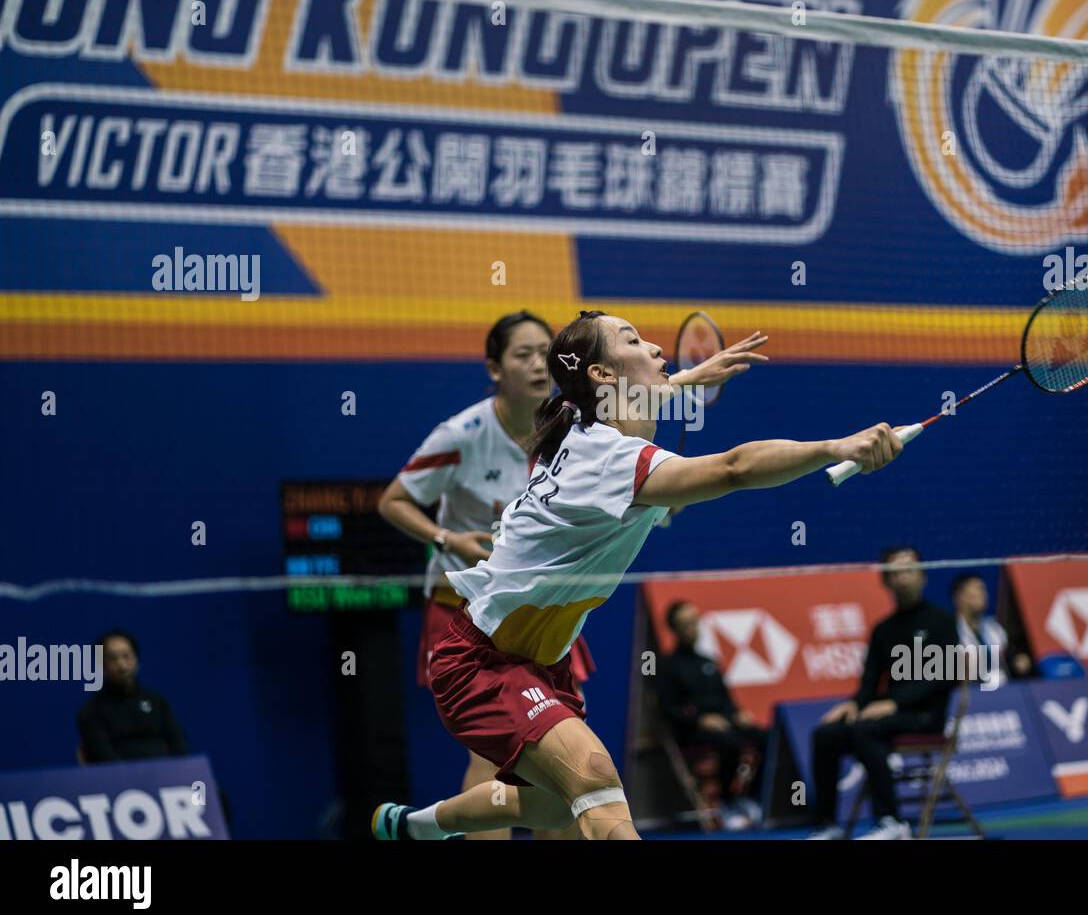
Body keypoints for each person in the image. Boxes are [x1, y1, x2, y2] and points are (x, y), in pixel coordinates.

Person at [372, 309, 904, 840]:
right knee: (595, 776)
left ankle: (418, 827)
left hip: (541, 661)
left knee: (557, 808)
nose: (655, 348)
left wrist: (692, 378)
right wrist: (838, 447)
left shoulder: (575, 424)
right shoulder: (606, 457)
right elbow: (734, 469)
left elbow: (641, 396)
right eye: (633, 339)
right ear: (602, 375)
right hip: (482, 662)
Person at [378, 310, 596, 840]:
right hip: (465, 614)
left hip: (538, 613)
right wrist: (448, 539)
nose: (537, 364)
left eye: (545, 352)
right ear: (494, 368)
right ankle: (428, 828)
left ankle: (423, 828)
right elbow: (394, 501)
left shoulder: (572, 428)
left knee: (565, 761)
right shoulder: (464, 434)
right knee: (494, 754)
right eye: (522, 354)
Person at [806, 546, 958, 841]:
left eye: (909, 570)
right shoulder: (883, 629)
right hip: (889, 714)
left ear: (923, 576)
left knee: (865, 730)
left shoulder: (941, 621)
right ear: (885, 581)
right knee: (825, 734)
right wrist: (852, 704)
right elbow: (869, 681)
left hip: (926, 714)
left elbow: (945, 677)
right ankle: (827, 825)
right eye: (895, 572)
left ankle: (892, 821)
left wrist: (894, 702)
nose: (902, 577)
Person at [659, 599, 768, 829]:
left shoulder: (709, 661)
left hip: (725, 724)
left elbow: (726, 700)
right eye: (685, 623)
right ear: (675, 629)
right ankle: (727, 803)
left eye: (695, 621)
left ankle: (753, 797)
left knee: (766, 737)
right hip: (693, 732)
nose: (692, 628)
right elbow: (669, 709)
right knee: (731, 744)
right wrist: (700, 719)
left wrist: (737, 714)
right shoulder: (667, 666)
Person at [77, 630, 187, 763]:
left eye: (126, 656)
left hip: (169, 777)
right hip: (122, 781)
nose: (122, 665)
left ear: (136, 660)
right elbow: (105, 760)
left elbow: (180, 748)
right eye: (112, 658)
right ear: (102, 667)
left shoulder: (158, 702)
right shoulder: (91, 712)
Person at [951, 574, 1008, 690]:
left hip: (1004, 690)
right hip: (970, 693)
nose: (984, 594)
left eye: (984, 590)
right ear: (959, 597)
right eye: (978, 589)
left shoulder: (995, 628)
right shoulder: (950, 632)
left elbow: (1006, 663)